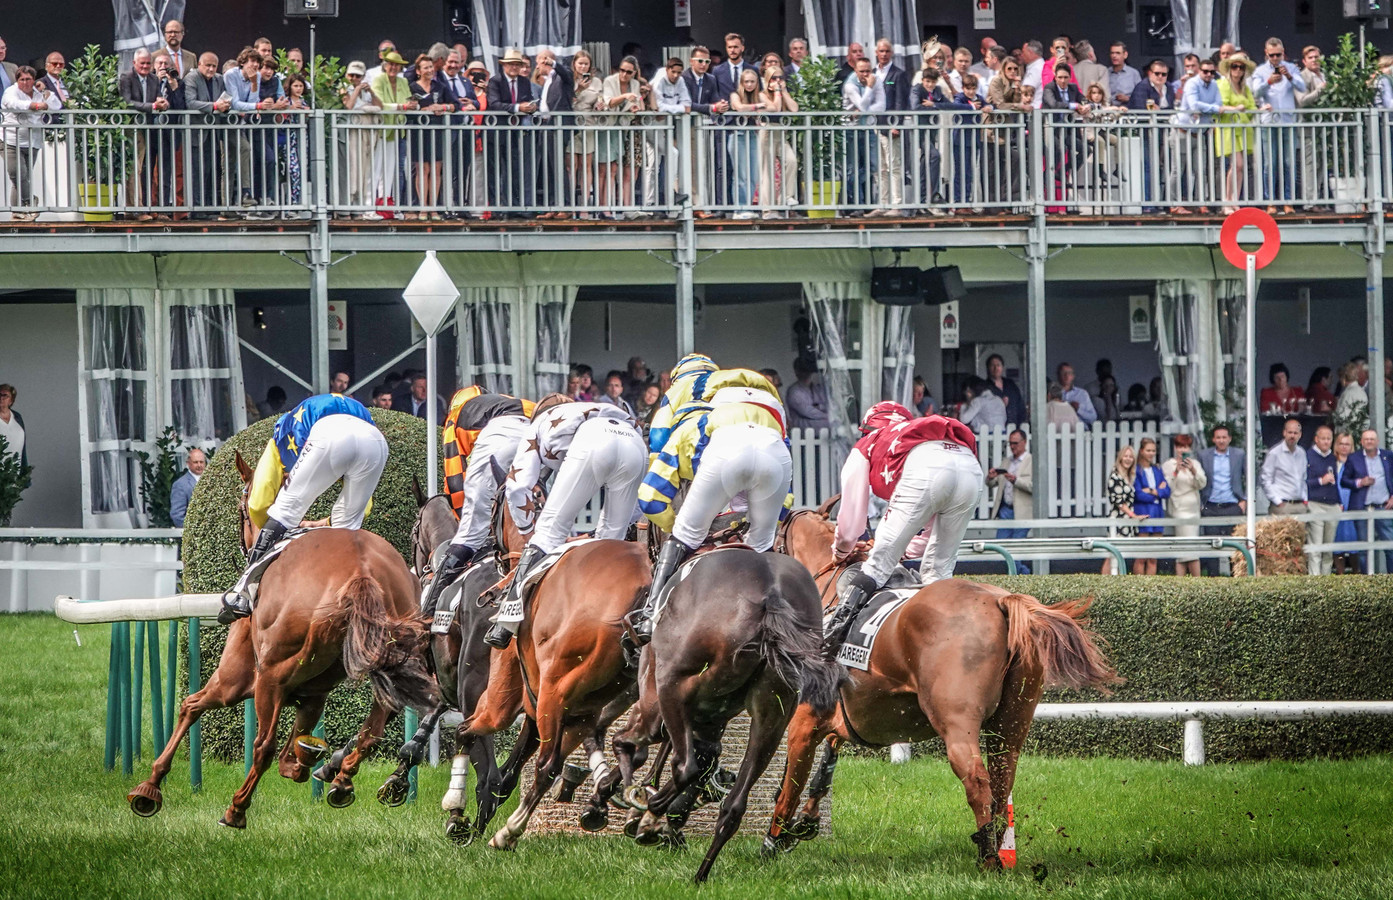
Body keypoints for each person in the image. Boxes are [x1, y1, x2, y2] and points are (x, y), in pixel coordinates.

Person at [630, 386, 794, 647]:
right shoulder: (767, 419)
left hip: (728, 451)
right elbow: (783, 505)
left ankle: (650, 614)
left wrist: (682, 530)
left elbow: (650, 498)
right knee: (762, 544)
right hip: (776, 453)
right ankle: (783, 618)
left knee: (685, 533)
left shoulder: (689, 425)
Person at [823, 402, 983, 658]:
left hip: (927, 469)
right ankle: (951, 645)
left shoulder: (867, 443)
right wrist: (902, 551)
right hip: (971, 467)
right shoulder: (912, 433)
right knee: (938, 573)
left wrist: (841, 552)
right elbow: (926, 532)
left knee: (876, 568)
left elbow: (851, 522)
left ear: (866, 429)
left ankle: (829, 644)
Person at [485, 397, 646, 648]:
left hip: (594, 441)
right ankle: (625, 621)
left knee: (548, 532)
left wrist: (529, 533)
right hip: (636, 445)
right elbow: (637, 508)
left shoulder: (536, 425)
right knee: (610, 543)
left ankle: (506, 619)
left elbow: (516, 488)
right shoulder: (590, 409)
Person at [219, 394, 389, 624]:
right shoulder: (358, 414)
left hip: (330, 437)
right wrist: (324, 524)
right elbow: (365, 508)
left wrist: (286, 523)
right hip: (377, 442)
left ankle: (242, 594)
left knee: (284, 512)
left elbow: (258, 503)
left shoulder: (280, 434)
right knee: (346, 528)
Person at [422, 400, 536, 615]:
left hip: (501, 437)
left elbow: (455, 476)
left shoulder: (456, 414)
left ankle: (425, 618)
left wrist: (463, 521)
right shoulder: (510, 400)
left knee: (468, 537)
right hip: (539, 435)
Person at [1249, 38, 1305, 213]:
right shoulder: (1260, 70)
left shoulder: (1292, 67)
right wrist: (1268, 82)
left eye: (1278, 55)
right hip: (1269, 121)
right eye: (1272, 55)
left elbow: (1302, 87)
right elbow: (1255, 92)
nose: (1275, 58)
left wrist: (1288, 76)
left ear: (1283, 52)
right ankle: (1271, 202)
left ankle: (1288, 201)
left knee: (1289, 162)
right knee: (1269, 164)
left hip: (1288, 120)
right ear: (1266, 53)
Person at [1, 66, 58, 221]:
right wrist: (33, 106)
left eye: (28, 79)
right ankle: (31, 202)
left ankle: (18, 211)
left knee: (22, 178)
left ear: (34, 80)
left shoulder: (39, 92)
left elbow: (56, 106)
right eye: (22, 79)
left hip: (33, 142)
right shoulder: (11, 91)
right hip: (11, 140)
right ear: (17, 80)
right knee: (17, 173)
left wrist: (46, 93)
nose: (25, 82)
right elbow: (10, 103)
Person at [1341, 429, 1393, 574]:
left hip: (1383, 507)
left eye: (1372, 439)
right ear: (1361, 442)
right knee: (1364, 549)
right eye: (1366, 439)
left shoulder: (1388, 456)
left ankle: (1390, 580)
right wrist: (1360, 482)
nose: (1369, 441)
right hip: (1363, 508)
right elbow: (1344, 481)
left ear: (1377, 441)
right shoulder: (1353, 458)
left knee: (1390, 546)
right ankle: (1367, 582)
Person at [599, 56, 645, 215]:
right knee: (606, 169)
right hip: (609, 127)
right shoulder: (609, 81)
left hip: (624, 128)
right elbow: (609, 102)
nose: (624, 74)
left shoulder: (635, 84)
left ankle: (614, 208)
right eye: (622, 70)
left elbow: (636, 104)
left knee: (616, 169)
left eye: (628, 72)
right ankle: (604, 208)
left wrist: (634, 108)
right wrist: (625, 97)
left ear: (634, 73)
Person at [1216, 51, 1259, 214]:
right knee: (1237, 164)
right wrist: (1235, 109)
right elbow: (1220, 106)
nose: (1238, 70)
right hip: (1229, 129)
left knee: (1241, 166)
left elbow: (1251, 108)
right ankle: (1227, 200)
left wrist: (1260, 109)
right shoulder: (1223, 84)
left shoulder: (1245, 87)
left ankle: (1235, 200)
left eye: (1241, 67)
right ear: (1229, 68)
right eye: (1234, 67)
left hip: (1243, 130)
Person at [756, 65, 799, 219]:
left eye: (780, 77)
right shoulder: (762, 95)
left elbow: (794, 109)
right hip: (767, 131)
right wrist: (777, 92)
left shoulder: (782, 91)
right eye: (774, 78)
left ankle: (786, 197)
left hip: (781, 132)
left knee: (791, 161)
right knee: (767, 171)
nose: (778, 81)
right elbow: (776, 108)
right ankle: (768, 209)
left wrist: (784, 91)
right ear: (768, 80)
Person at [1161, 435, 1206, 576]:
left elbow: (1202, 483)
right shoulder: (1169, 465)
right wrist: (1176, 471)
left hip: (1193, 510)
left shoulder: (1195, 464)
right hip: (1179, 509)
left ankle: (1194, 581)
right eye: (1179, 447)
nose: (1182, 450)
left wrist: (1193, 470)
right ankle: (1188, 580)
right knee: (1186, 548)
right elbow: (1168, 487)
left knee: (1193, 545)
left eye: (1185, 447)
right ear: (1175, 448)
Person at [988, 430, 1032, 572]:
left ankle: (1023, 574)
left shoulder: (1031, 461)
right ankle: (1020, 575)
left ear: (1024, 442)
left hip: (1022, 512)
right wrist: (990, 477)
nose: (1012, 447)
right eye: (1010, 443)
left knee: (1016, 550)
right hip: (1005, 509)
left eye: (1015, 443)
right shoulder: (1006, 461)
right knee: (1001, 548)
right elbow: (992, 484)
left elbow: (1035, 486)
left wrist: (1016, 481)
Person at [568, 49, 603, 216]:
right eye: (580, 63)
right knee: (571, 166)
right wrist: (578, 90)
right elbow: (565, 101)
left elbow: (600, 98)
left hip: (588, 124)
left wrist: (600, 105)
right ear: (574, 64)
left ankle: (584, 206)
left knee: (586, 166)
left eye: (586, 63)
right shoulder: (569, 79)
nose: (583, 66)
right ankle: (570, 204)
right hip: (571, 124)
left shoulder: (596, 82)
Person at [1304, 424, 1340, 575]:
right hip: (1315, 504)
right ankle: (1315, 582)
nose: (1326, 442)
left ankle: (1326, 581)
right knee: (1316, 547)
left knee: (1328, 548)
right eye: (1323, 439)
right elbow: (1302, 482)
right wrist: (1321, 481)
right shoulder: (1308, 456)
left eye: (1329, 439)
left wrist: (1340, 503)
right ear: (1316, 439)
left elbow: (1335, 482)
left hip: (1332, 505)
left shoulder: (1332, 457)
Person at [1105, 444, 1145, 573]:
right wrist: (1133, 516)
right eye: (1125, 456)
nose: (1128, 459)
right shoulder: (1115, 476)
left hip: (1127, 521)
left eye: (1131, 457)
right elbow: (1119, 502)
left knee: (1120, 554)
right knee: (1112, 555)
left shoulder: (1128, 477)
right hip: (1118, 519)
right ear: (1120, 458)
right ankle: (1103, 584)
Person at [1131, 437, 1169, 574]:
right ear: (1141, 451)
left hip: (1157, 512)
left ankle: (1150, 588)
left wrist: (1152, 491)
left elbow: (1167, 491)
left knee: (1153, 556)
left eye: (1153, 450)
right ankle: (1139, 587)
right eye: (1148, 450)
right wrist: (1158, 492)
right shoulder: (1136, 470)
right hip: (1143, 512)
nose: (1151, 453)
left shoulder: (1157, 469)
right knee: (1141, 556)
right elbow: (1138, 494)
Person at [1261, 416, 1308, 516]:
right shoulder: (1274, 453)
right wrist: (1277, 501)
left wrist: (1305, 499)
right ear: (1284, 433)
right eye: (1290, 432)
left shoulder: (1302, 453)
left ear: (1300, 435)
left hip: (1300, 505)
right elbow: (1265, 479)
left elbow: (1303, 479)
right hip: (1282, 506)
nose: (1292, 436)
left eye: (1295, 433)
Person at [1333, 432, 1361, 573]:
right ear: (1336, 445)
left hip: (1352, 505)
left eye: (1347, 444)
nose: (1344, 447)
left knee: (1354, 539)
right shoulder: (1332, 463)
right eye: (1341, 444)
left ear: (1352, 446)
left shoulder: (1356, 463)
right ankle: (1341, 575)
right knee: (1337, 540)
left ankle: (1356, 574)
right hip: (1336, 506)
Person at [786, 356, 830, 430]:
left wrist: (819, 407)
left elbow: (827, 405)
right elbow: (809, 412)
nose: (806, 372)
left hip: (821, 429)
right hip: (804, 429)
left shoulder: (817, 389)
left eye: (807, 369)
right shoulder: (794, 391)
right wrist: (829, 415)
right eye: (802, 369)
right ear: (796, 371)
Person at [169, 447, 207, 527]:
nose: (199, 465)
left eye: (201, 462)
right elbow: (177, 515)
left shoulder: (212, 480)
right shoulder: (180, 484)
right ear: (188, 463)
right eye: (195, 462)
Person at [984, 354, 1026, 424]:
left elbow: (1020, 405)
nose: (995, 368)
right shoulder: (984, 387)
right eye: (992, 365)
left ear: (1002, 367)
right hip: (995, 427)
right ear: (988, 368)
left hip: (1014, 425)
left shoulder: (1011, 384)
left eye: (998, 365)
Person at [1334, 361, 1369, 431]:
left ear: (1343, 377)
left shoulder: (1349, 393)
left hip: (1348, 432)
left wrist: (1332, 413)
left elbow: (1343, 416)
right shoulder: (1359, 391)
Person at [1107, 42, 1142, 106]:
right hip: (1109, 111)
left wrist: (1127, 98)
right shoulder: (1105, 73)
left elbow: (1140, 96)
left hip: (1129, 111)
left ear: (1125, 55)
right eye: (1112, 53)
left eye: (1118, 53)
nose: (1114, 56)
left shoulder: (1134, 73)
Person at [0, 383, 25, 469]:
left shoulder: (17, 417)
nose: (1, 398)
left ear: (11, 401)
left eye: (5, 395)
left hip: (15, 471)